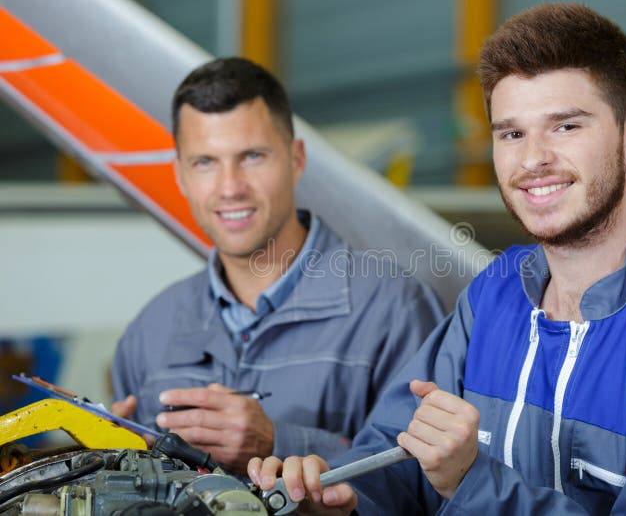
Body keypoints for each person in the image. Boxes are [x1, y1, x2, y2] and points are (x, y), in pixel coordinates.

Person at [246, 3, 626, 514]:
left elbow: (456, 473)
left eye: (566, 126)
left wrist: (469, 480)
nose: (533, 160)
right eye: (511, 133)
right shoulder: (494, 295)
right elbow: (395, 453)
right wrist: (340, 495)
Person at [111, 57, 444, 476]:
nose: (230, 187)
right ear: (180, 175)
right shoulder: (149, 331)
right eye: (205, 162)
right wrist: (114, 460)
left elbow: (426, 484)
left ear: (296, 159)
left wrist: (278, 442)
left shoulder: (394, 310)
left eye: (251, 156)